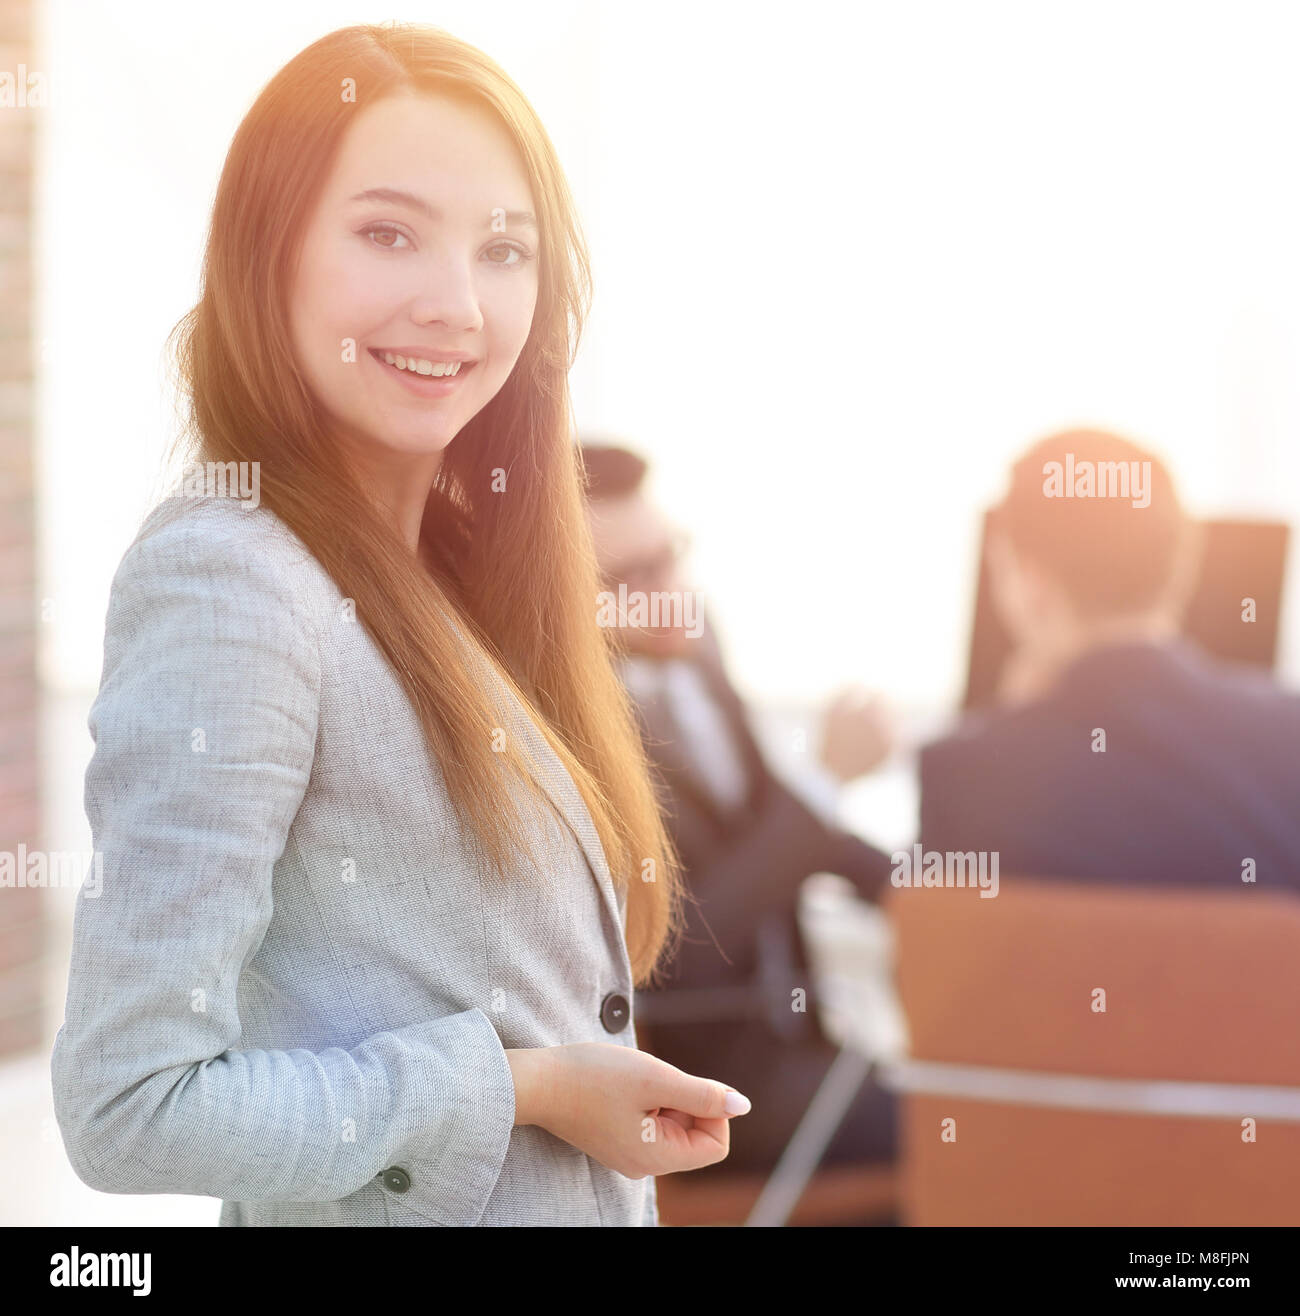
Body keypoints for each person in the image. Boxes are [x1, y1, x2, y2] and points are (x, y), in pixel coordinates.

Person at [49, 23, 752, 1230]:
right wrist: (523, 1086)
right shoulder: (231, 580)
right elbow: (128, 1103)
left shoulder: (455, 582)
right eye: (388, 233)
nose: (456, 305)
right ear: (269, 255)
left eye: (503, 250)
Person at [580, 441, 899, 1196]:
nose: (670, 590)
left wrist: (923, 880)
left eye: (670, 557)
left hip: (805, 1041)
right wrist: (827, 779)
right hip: (711, 1086)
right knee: (966, 1115)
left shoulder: (697, 642)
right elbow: (681, 944)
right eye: (633, 578)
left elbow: (765, 822)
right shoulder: (575, 736)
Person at [920, 428, 1300, 887]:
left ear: (1030, 583)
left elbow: (930, 933)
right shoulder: (1288, 736)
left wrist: (1006, 726)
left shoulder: (965, 775)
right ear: (1180, 569)